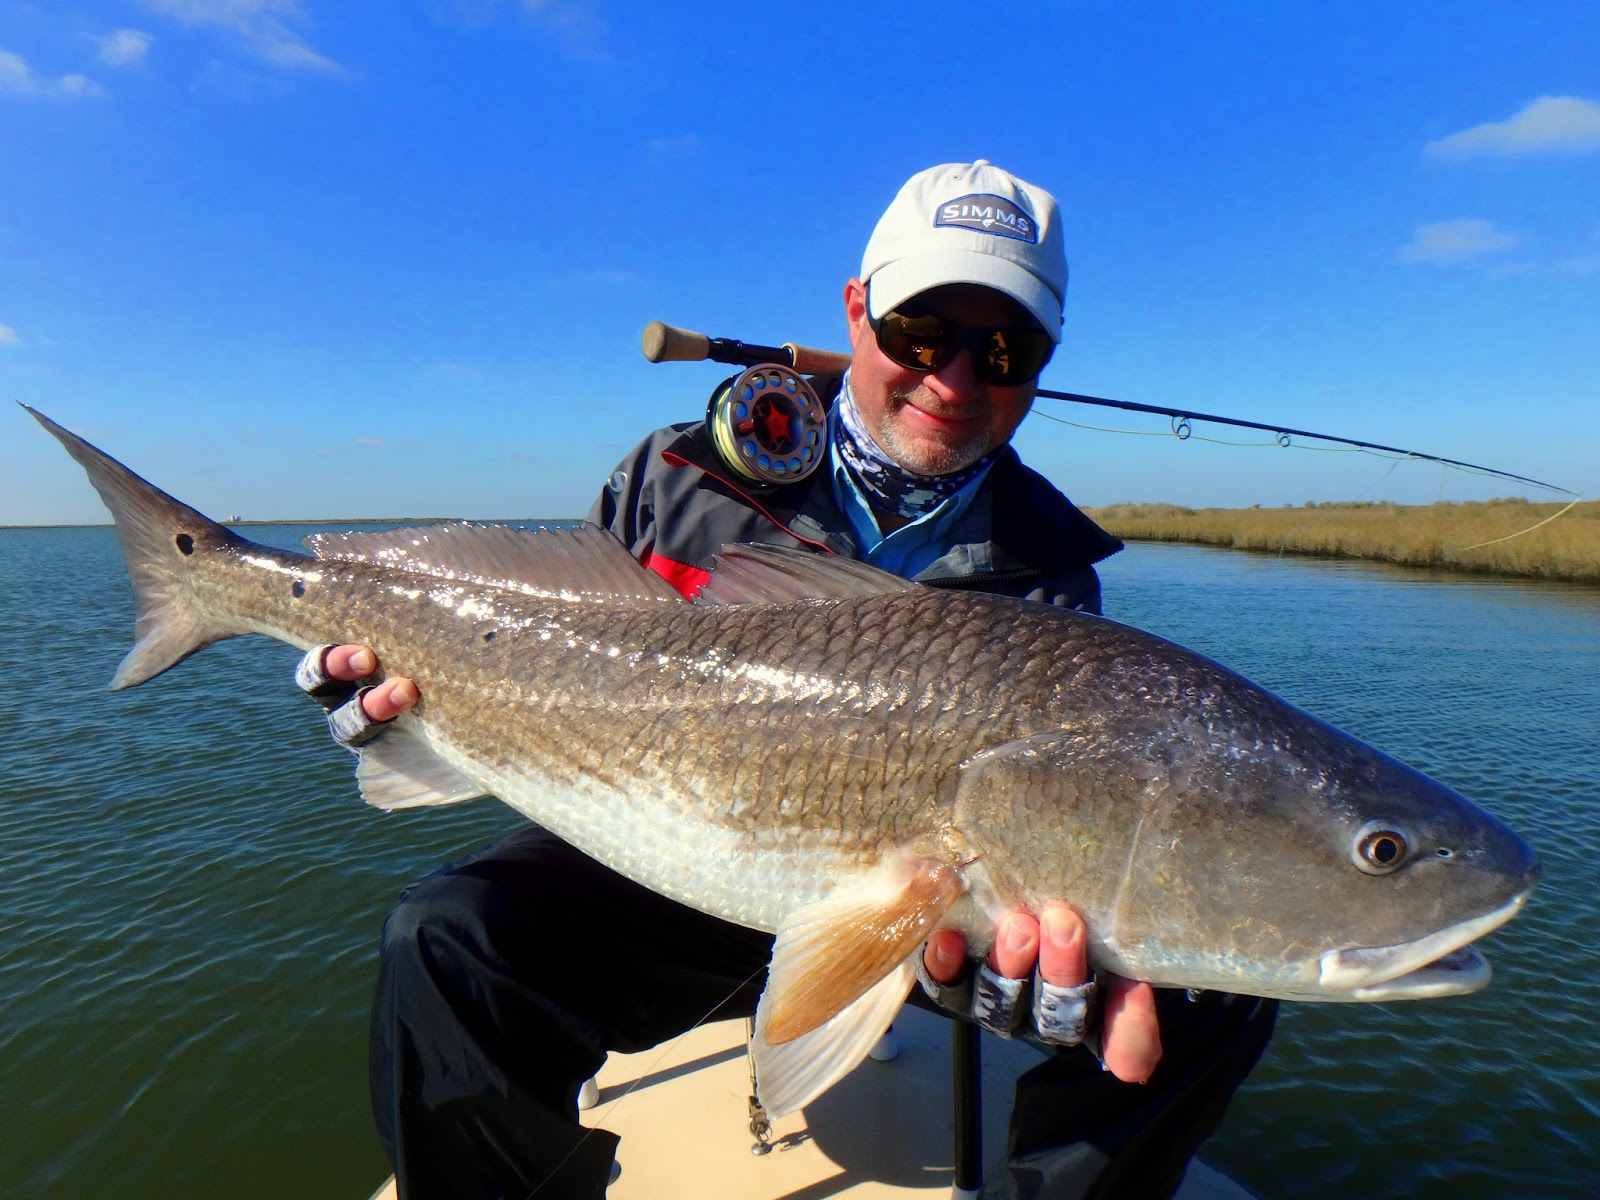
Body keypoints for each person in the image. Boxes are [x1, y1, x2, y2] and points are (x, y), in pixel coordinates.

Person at [300, 161, 1277, 1200]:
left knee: (1211, 989)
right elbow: (547, 645)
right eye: (919, 332)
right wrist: (399, 711)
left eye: (1004, 350)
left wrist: (1005, 958)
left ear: (1043, 360)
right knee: (445, 939)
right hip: (674, 856)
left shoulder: (1051, 573)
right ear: (857, 312)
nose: (954, 380)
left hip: (923, 910)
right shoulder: (678, 477)